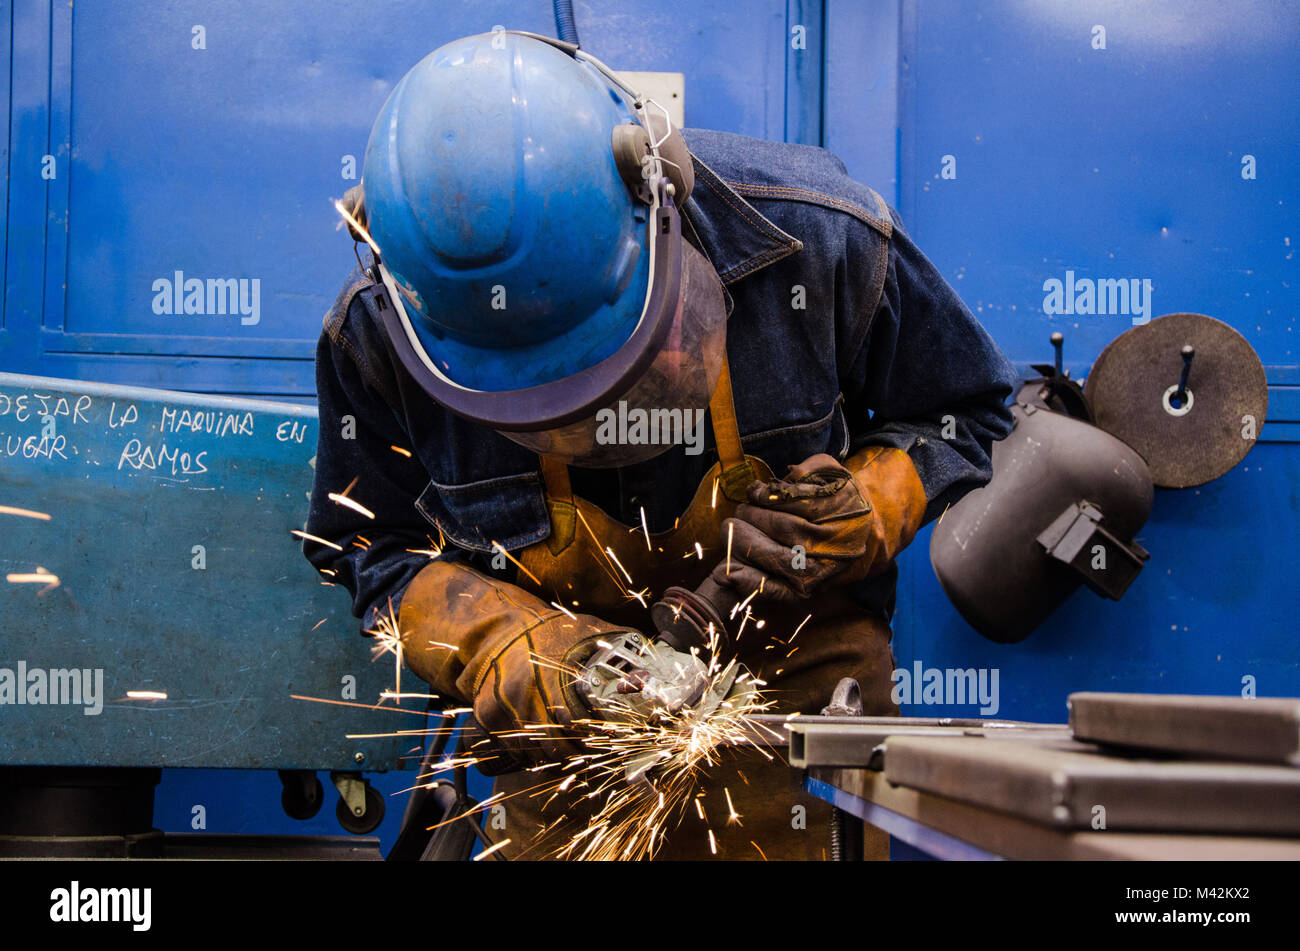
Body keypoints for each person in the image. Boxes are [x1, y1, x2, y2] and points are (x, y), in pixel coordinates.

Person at [304, 31, 1018, 860]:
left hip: (795, 733)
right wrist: (517, 646)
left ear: (657, 194)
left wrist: (860, 509)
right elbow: (370, 545)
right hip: (573, 762)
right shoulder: (379, 331)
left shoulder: (817, 240)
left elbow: (963, 409)